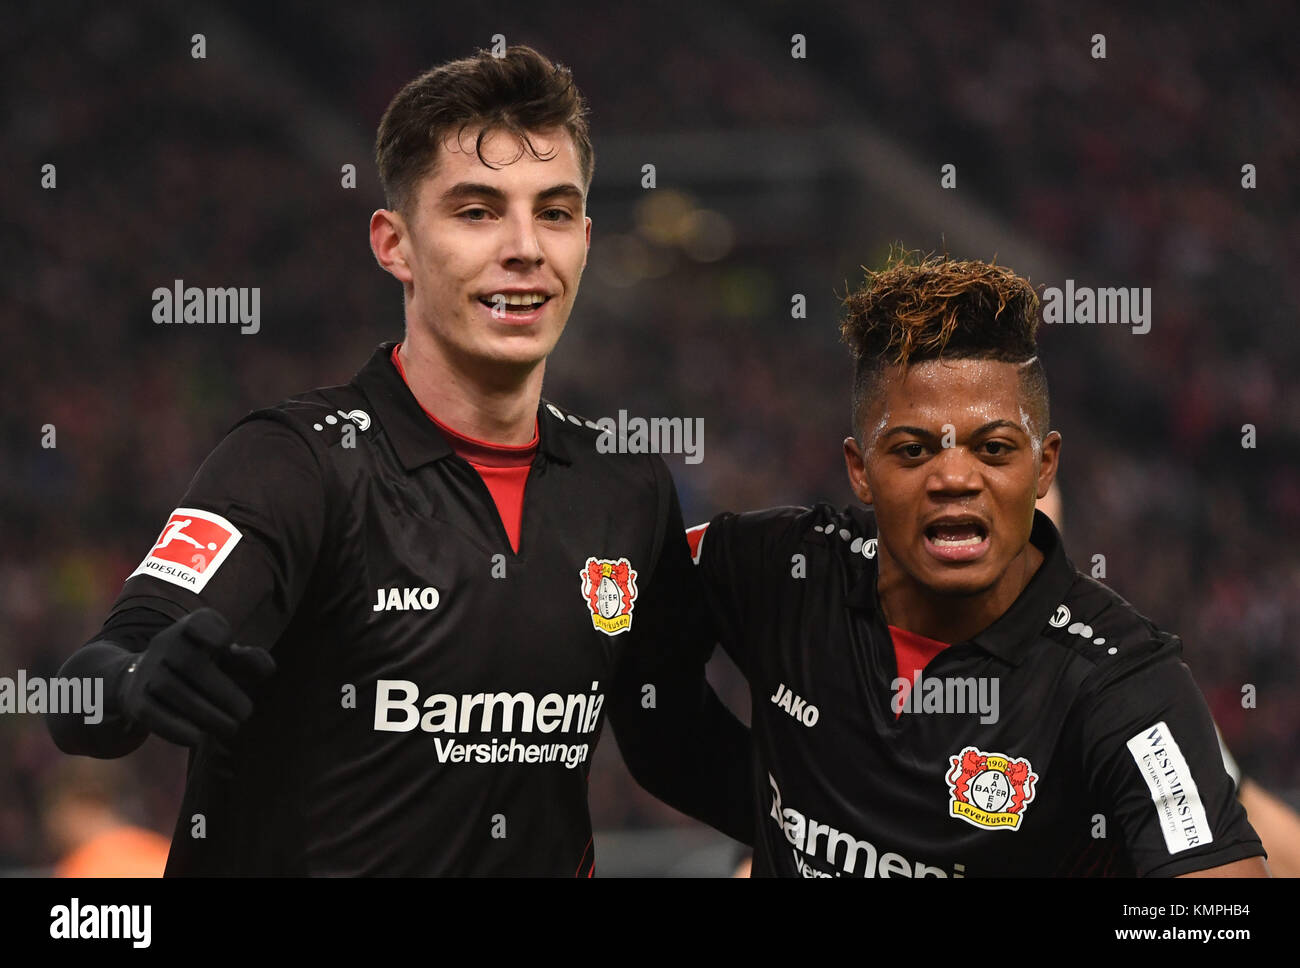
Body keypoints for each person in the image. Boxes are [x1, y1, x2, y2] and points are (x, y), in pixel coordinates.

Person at [46, 45, 750, 875]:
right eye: (477, 212)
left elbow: (670, 737)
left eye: (554, 213)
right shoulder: (297, 465)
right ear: (395, 244)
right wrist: (132, 682)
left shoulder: (625, 490)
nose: (525, 247)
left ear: (586, 241)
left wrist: (864, 827)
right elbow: (85, 689)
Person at [687, 251, 1267, 876]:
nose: (955, 477)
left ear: (1044, 467)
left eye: (993, 448)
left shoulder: (1121, 681)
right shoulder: (783, 568)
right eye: (912, 450)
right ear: (860, 470)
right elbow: (612, 578)